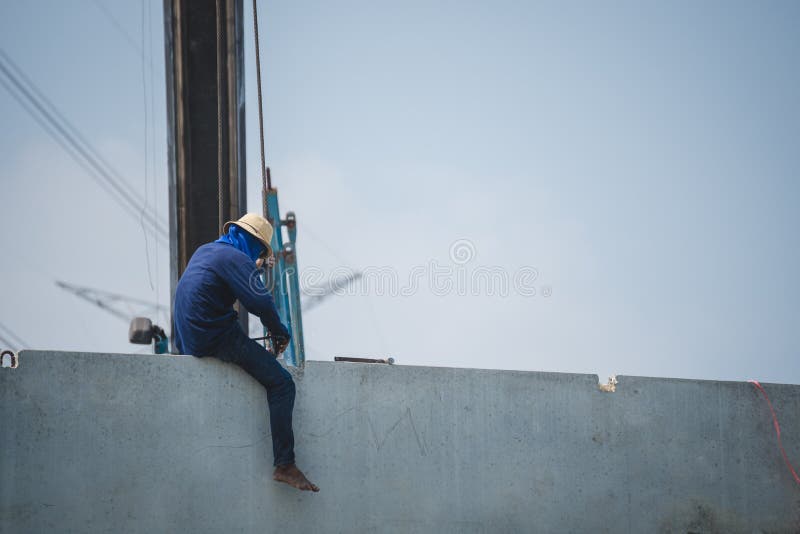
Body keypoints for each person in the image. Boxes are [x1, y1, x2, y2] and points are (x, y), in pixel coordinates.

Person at [173, 213, 319, 492]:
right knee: (282, 384)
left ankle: (285, 464)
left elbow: (237, 273)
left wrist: (257, 266)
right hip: (213, 336)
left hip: (188, 339)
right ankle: (285, 465)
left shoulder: (208, 251)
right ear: (254, 244)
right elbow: (260, 303)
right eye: (259, 250)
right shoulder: (236, 259)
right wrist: (280, 332)